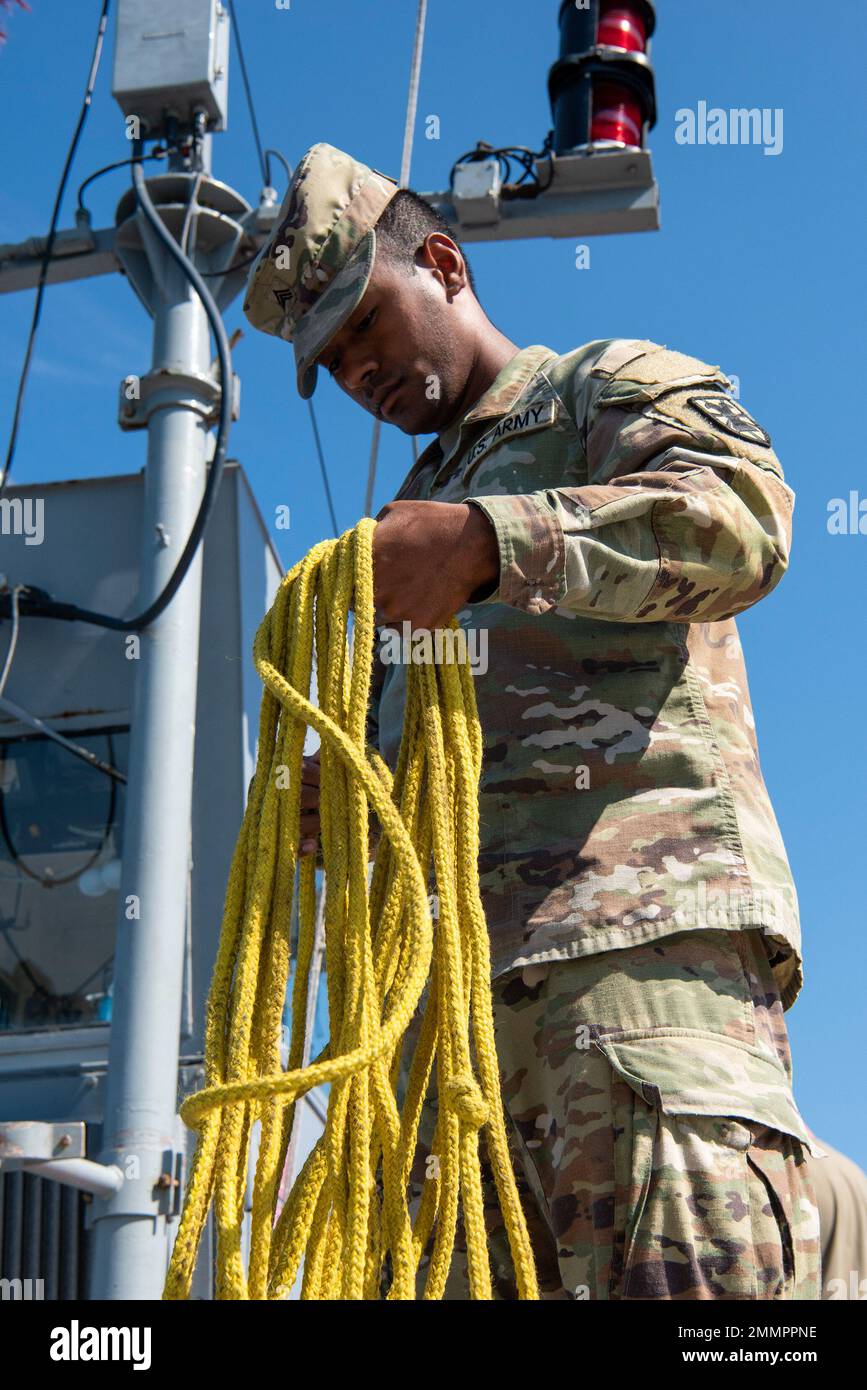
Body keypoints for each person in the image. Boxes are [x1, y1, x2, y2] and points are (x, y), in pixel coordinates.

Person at [243, 142, 821, 1299]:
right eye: (333, 361)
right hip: (452, 1069)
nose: (359, 373)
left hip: (637, 1000)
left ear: (445, 264)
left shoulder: (596, 393)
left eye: (366, 326)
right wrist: (350, 797)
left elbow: (743, 519)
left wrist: (496, 542)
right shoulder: (399, 535)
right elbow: (442, 767)